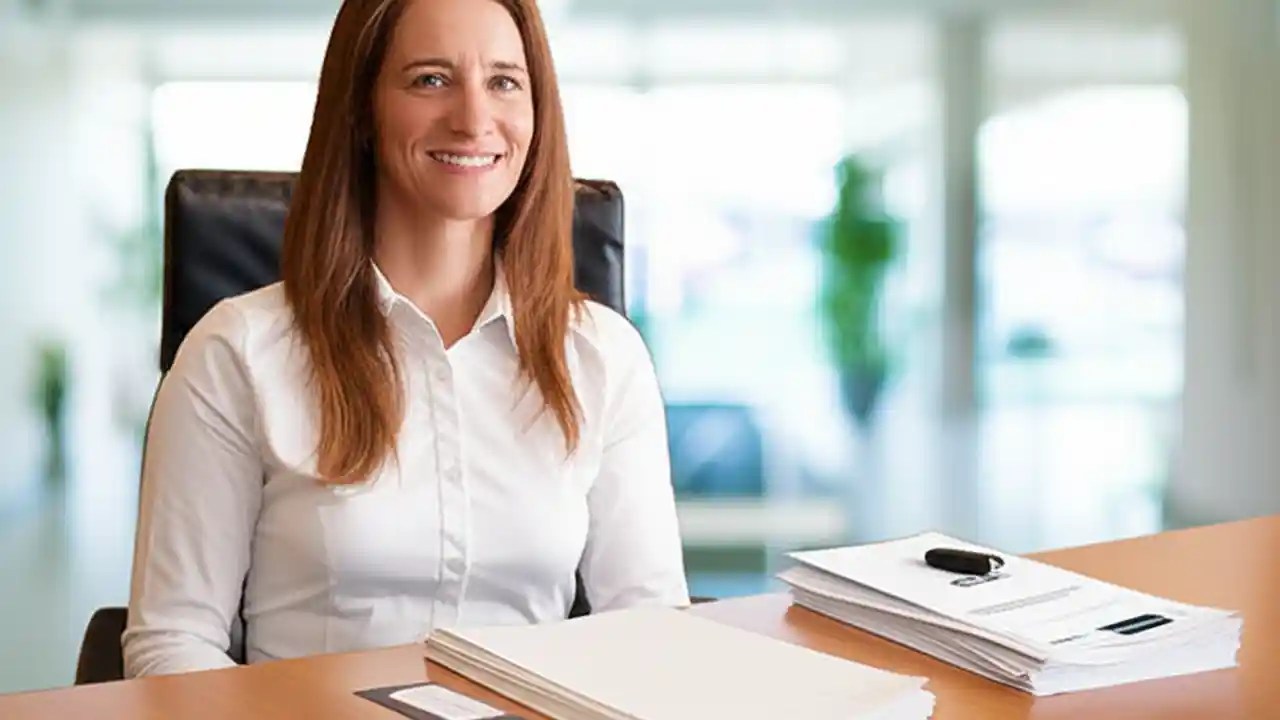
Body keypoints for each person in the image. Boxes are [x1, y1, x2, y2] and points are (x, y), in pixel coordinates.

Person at [122, 0, 689, 678]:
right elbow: (173, 644)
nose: (474, 119)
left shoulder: (603, 356)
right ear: (362, 111)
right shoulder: (238, 353)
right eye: (430, 79)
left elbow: (649, 629)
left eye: (504, 81)